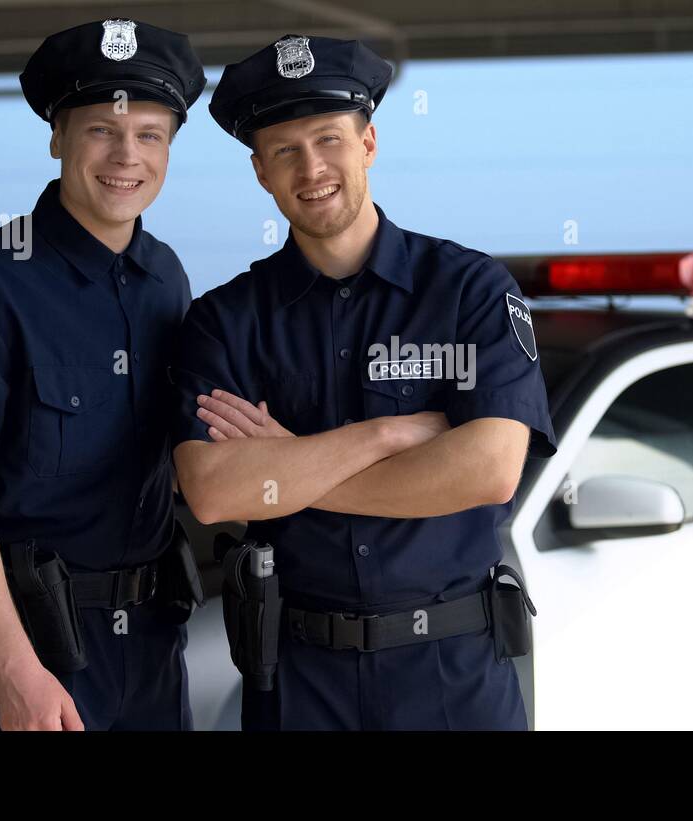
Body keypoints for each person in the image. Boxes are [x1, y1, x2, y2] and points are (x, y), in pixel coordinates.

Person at [171, 34, 556, 730]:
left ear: (368, 143)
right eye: (285, 150)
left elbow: (491, 469)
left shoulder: (469, 291)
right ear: (260, 171)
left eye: (329, 139)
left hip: (454, 676)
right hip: (297, 680)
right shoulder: (224, 321)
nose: (312, 167)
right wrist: (385, 435)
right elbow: (213, 491)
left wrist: (290, 465)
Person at [0, 19, 205, 730]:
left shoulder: (166, 278)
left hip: (153, 648)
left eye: (150, 134)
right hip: (31, 652)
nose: (127, 155)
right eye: (102, 130)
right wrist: (15, 671)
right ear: (57, 137)